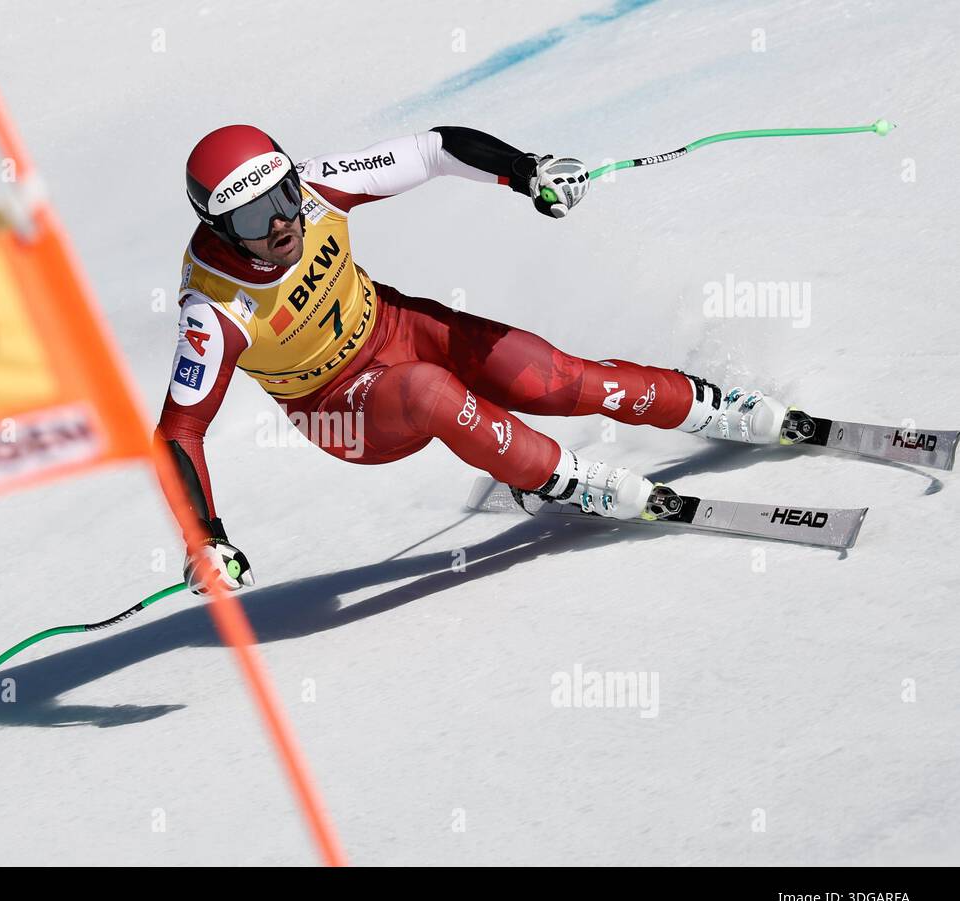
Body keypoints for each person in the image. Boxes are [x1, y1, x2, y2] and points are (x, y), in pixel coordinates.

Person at [158, 125, 795, 593]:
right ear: (218, 229)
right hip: (339, 412)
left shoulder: (321, 187)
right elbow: (178, 432)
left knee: (552, 379)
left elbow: (435, 149)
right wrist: (204, 542)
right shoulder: (213, 306)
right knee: (427, 391)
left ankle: (711, 407)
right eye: (250, 217)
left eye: (282, 197)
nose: (280, 224)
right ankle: (566, 481)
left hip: (395, 325)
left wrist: (528, 171)